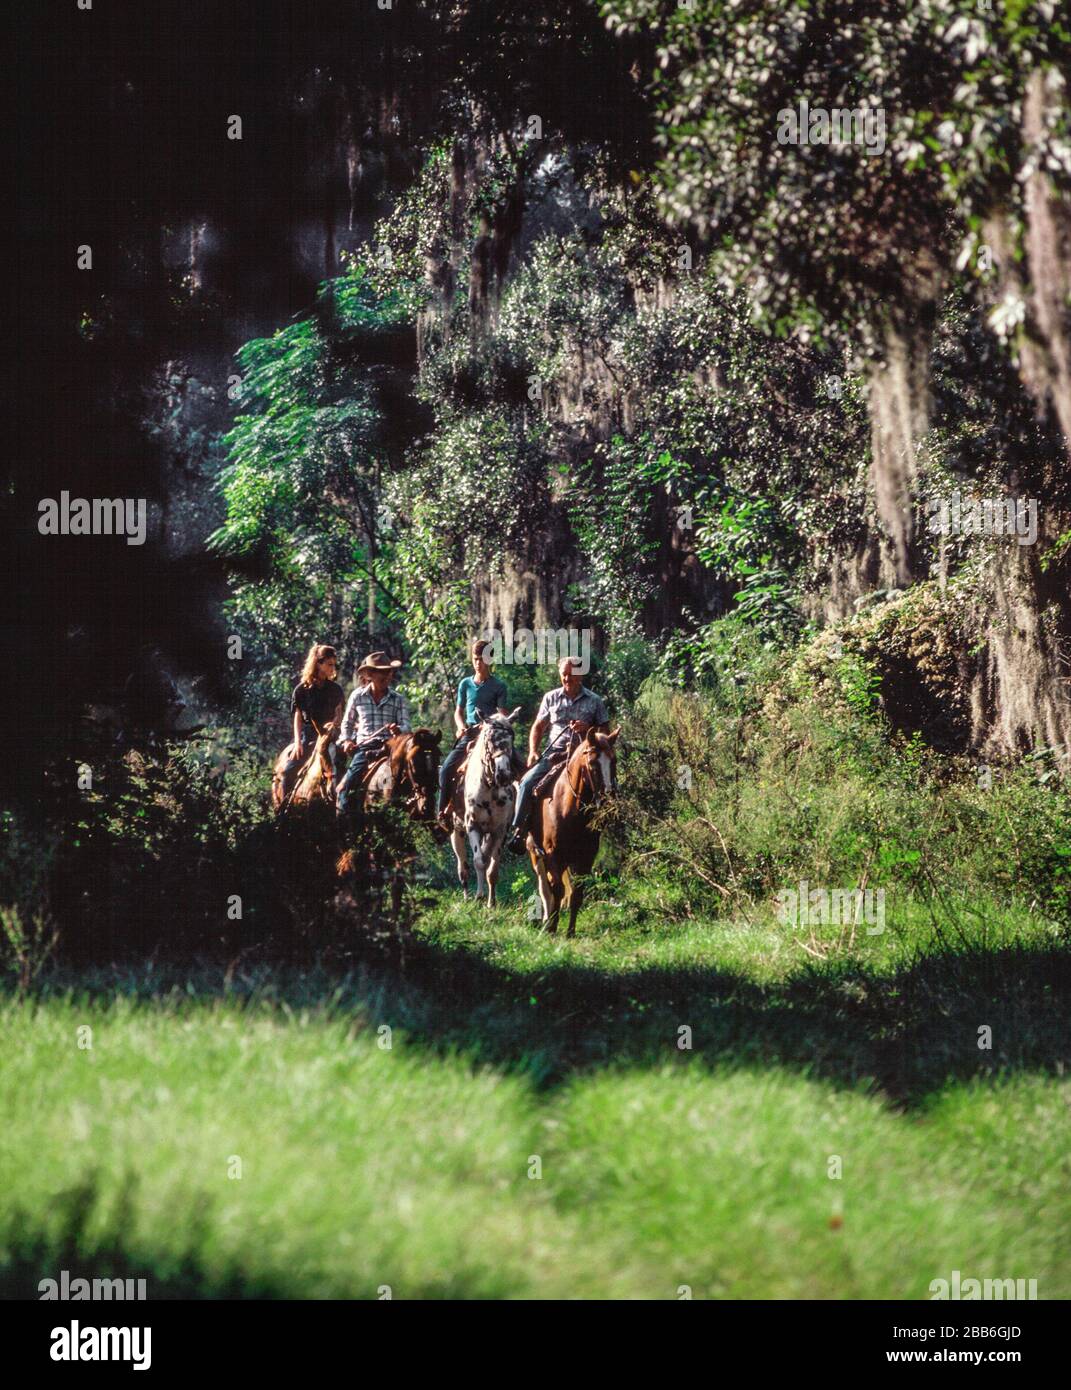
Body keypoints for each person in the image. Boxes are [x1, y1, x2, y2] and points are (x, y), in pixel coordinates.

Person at [507, 656, 609, 853]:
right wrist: (533, 751)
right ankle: (519, 830)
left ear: (580, 675)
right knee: (527, 782)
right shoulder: (551, 697)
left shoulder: (595, 701)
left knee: (607, 783)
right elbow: (538, 727)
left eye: (571, 675)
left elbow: (605, 731)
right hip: (555, 753)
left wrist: (588, 728)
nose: (567, 679)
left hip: (585, 755)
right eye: (564, 674)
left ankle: (614, 827)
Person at [437, 638, 510, 822]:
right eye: (475, 659)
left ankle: (516, 816)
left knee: (517, 766)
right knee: (445, 770)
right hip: (469, 734)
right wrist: (460, 726)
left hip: (491, 735)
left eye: (482, 659)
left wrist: (489, 725)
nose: (478, 663)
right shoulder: (465, 684)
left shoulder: (499, 686)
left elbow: (502, 715)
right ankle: (442, 812)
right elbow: (458, 712)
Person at [335, 651, 412, 821]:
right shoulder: (358, 696)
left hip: (391, 749)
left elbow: (407, 726)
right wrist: (347, 740)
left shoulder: (397, 699)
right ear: (370, 674)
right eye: (382, 672)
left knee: (416, 779)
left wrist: (398, 730)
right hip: (365, 748)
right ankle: (344, 823)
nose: (387, 676)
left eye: (388, 672)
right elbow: (347, 723)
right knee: (348, 785)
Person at [282, 643, 345, 786]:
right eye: (329, 664)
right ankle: (284, 807)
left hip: (331, 735)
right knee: (289, 772)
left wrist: (334, 724)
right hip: (309, 735)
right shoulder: (301, 690)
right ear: (318, 663)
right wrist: (298, 742)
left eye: (334, 665)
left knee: (344, 765)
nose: (333, 669)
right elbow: (298, 717)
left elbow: (339, 713)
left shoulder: (336, 689)